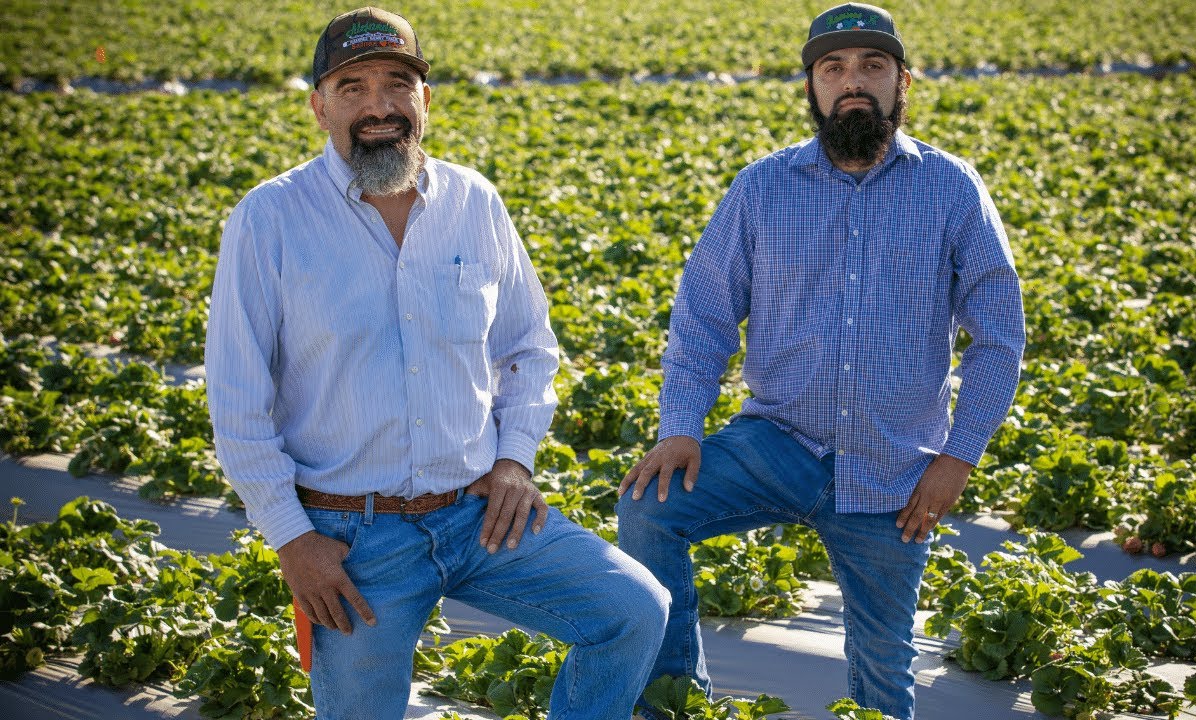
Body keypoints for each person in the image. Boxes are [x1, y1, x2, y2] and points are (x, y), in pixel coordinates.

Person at [205, 8, 668, 719]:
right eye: (353, 87)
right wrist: (293, 539)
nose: (379, 106)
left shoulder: (473, 201)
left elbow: (528, 347)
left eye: (397, 84)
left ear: (425, 100)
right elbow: (238, 399)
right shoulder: (271, 218)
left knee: (633, 609)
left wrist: (514, 460)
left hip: (480, 513)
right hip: (351, 540)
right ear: (319, 107)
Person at [616, 4, 1026, 718]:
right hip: (777, 442)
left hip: (895, 468)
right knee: (649, 511)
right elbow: (704, 317)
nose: (853, 82)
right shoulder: (761, 187)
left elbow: (999, 335)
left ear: (903, 83)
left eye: (873, 66)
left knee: (884, 675)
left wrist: (958, 458)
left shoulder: (952, 188)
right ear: (811, 87)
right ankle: (676, 701)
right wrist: (680, 427)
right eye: (833, 68)